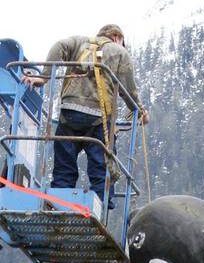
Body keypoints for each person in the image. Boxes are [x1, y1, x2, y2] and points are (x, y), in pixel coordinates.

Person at [28, 25, 148, 208]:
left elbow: (59, 46)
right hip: (98, 118)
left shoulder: (79, 42)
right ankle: (99, 208)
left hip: (69, 112)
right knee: (101, 167)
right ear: (117, 37)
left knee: (63, 166)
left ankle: (59, 205)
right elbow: (129, 90)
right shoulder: (119, 52)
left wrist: (44, 77)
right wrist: (140, 112)